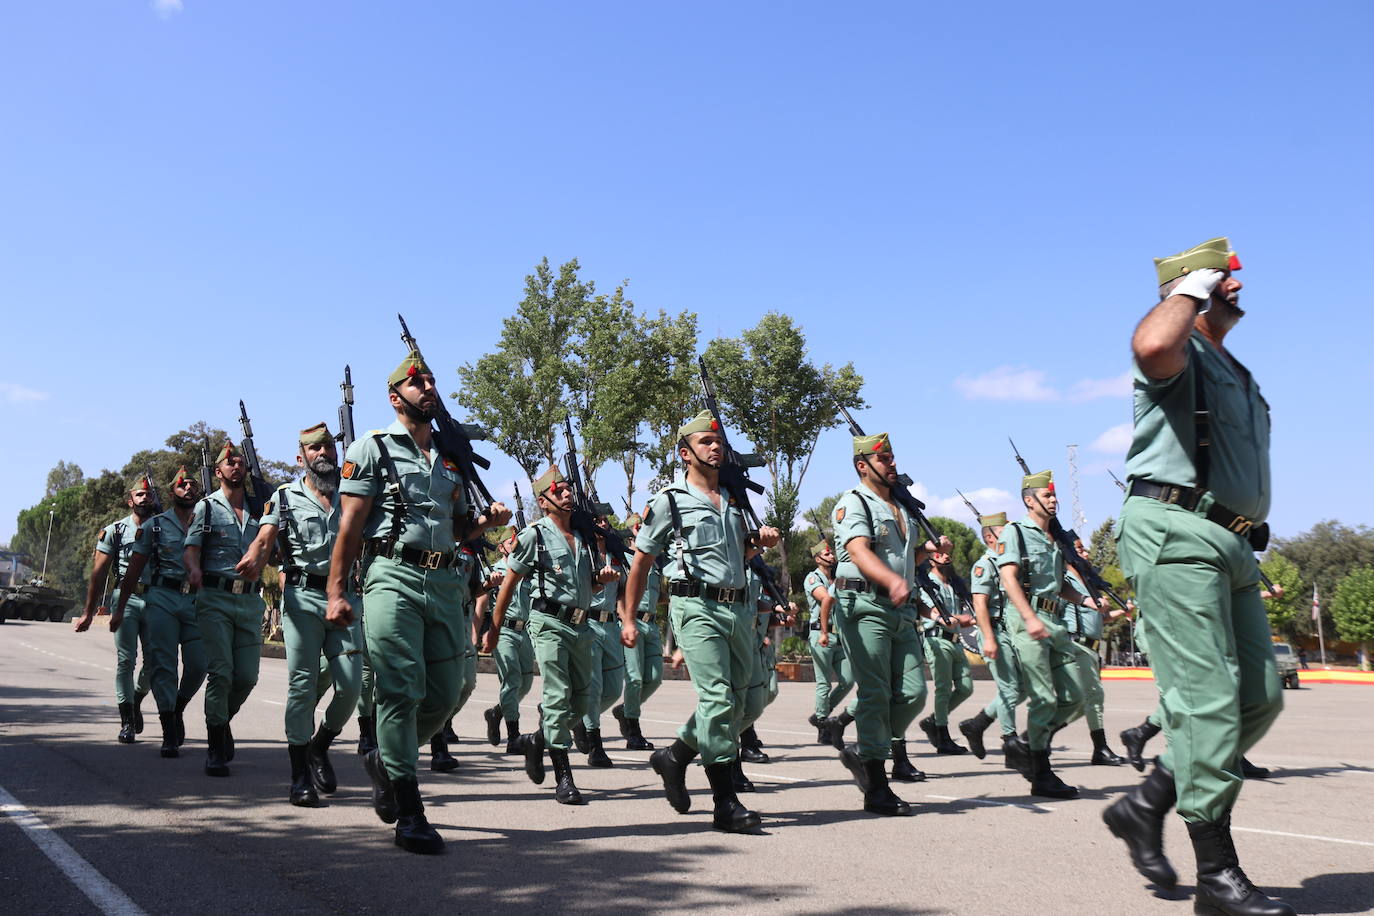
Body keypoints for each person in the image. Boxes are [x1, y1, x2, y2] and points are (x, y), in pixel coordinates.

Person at [1103, 237, 1292, 916]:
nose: (1236, 285)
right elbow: (1152, 344)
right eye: (1224, 276)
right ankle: (1216, 878)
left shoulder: (1233, 365)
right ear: (1192, 288)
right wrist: (1190, 287)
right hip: (1176, 530)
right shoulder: (1179, 349)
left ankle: (1146, 801)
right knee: (1205, 701)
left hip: (1233, 544)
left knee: (1259, 697)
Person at [327, 349, 510, 854]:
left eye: (431, 381)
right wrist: (337, 591)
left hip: (446, 581)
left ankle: (387, 761)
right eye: (417, 382)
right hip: (392, 576)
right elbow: (350, 525)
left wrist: (488, 523)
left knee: (449, 692)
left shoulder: (449, 458)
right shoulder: (372, 448)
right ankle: (409, 810)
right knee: (401, 689)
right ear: (395, 397)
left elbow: (458, 528)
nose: (429, 388)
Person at [621, 410, 780, 833]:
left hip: (739, 609)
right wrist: (629, 617)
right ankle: (725, 803)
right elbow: (642, 562)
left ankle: (673, 757)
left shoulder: (734, 499)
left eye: (718, 441)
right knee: (718, 700)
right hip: (696, 608)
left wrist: (760, 542)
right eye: (705, 441)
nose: (715, 447)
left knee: (748, 704)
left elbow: (738, 555)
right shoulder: (669, 500)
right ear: (685, 453)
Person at [829, 431, 948, 816]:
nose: (892, 463)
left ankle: (864, 751)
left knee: (913, 693)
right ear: (862, 466)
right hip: (864, 604)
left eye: (893, 457)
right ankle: (877, 786)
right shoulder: (854, 502)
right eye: (883, 459)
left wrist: (927, 551)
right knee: (876, 693)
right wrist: (892, 580)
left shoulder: (901, 507)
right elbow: (858, 551)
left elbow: (905, 558)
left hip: (901, 610)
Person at [484, 465, 616, 806]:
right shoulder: (535, 536)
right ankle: (564, 776)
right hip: (549, 624)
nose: (567, 494)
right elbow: (508, 585)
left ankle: (538, 740)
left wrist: (601, 579)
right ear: (543, 502)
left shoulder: (584, 537)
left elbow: (587, 585)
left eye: (568, 489)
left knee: (583, 700)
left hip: (581, 626)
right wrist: (494, 629)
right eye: (558, 491)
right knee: (557, 696)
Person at [257, 423, 364, 807]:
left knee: (351, 686)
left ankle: (321, 744)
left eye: (328, 447)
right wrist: (254, 555)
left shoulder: (353, 495)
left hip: (345, 597)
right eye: (314, 449)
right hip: (302, 598)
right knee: (302, 685)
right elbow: (265, 537)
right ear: (300, 457)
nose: (322, 454)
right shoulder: (285, 497)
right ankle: (299, 774)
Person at [995, 469, 1092, 799]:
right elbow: (1009, 578)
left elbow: (1059, 585)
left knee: (1075, 696)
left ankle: (1027, 742)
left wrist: (1086, 600)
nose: (1054, 500)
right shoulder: (1016, 533)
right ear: (1029, 500)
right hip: (1028, 619)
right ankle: (1041, 772)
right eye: (1047, 495)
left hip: (1055, 620)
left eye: (1054, 495)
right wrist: (1029, 617)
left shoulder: (1055, 538)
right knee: (1044, 698)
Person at [185, 443, 272, 778]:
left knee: (247, 677)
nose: (236, 466)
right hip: (215, 600)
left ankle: (221, 723)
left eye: (240, 462)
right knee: (221, 673)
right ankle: (214, 749)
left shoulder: (259, 508)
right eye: (229, 463)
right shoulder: (206, 508)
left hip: (249, 602)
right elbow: (191, 549)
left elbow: (273, 550)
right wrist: (194, 570)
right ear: (218, 471)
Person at [114, 467, 208, 757]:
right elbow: (134, 569)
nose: (188, 489)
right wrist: (119, 607)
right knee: (163, 665)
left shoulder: (207, 523)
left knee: (199, 665)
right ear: (171, 493)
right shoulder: (155, 526)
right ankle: (168, 729)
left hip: (195, 601)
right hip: (162, 599)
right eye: (182, 485)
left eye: (192, 485)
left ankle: (177, 707)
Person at [74, 477, 156, 744]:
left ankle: (137, 697)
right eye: (139, 494)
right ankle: (127, 720)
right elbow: (98, 574)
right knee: (126, 660)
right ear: (130, 501)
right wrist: (88, 612)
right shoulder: (115, 531)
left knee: (155, 661)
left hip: (157, 598)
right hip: (126, 598)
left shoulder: (162, 528)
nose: (144, 498)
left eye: (148, 494)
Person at [957, 511, 1029, 776]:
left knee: (1022, 689)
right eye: (1002, 531)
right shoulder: (985, 565)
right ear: (989, 537)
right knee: (1009, 689)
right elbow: (979, 604)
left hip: (1012, 631)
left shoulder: (1011, 562)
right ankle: (1011, 744)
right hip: (995, 631)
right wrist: (988, 637)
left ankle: (977, 724)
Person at [1060, 561, 1126, 766]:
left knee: (1091, 699)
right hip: (1075, 645)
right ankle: (1033, 739)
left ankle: (1100, 749)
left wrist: (1119, 611)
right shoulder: (1065, 582)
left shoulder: (1088, 583)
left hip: (1092, 648)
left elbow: (1099, 619)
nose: (1086, 553)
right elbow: (1055, 612)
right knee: (1084, 699)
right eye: (1080, 549)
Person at [479, 528, 535, 756]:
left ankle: (496, 713)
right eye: (512, 542)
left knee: (526, 682)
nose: (517, 544)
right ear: (502, 547)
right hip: (503, 631)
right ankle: (514, 736)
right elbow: (478, 598)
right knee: (512, 681)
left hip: (525, 631)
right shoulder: (492, 571)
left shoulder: (528, 571)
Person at [574, 527, 626, 768]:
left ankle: (579, 718)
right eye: (598, 520)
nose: (602, 525)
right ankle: (595, 745)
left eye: (605, 521)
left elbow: (623, 592)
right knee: (593, 688)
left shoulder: (616, 556)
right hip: (589, 622)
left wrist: (627, 620)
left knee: (614, 689)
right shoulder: (583, 552)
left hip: (612, 626)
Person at [612, 511, 664, 752]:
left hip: (651, 624)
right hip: (631, 621)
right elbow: (618, 594)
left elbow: (658, 593)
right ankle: (633, 730)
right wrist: (626, 621)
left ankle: (625, 710)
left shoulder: (654, 559)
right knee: (633, 677)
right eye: (639, 527)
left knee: (654, 677)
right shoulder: (622, 558)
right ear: (632, 532)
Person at [916, 550, 975, 755]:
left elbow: (962, 617)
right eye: (940, 554)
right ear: (931, 560)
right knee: (943, 689)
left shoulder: (954, 584)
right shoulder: (927, 582)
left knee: (965, 688)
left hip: (956, 641)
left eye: (948, 553)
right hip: (937, 638)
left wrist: (970, 619)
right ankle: (942, 736)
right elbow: (934, 612)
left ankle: (933, 720)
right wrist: (962, 619)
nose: (946, 557)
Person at [804, 540, 852, 745]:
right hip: (821, 634)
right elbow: (826, 598)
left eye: (832, 553)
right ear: (817, 559)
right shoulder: (813, 578)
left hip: (840, 636)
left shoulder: (836, 578)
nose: (832, 556)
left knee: (848, 680)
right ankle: (823, 725)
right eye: (827, 554)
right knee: (824, 683)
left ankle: (820, 715)